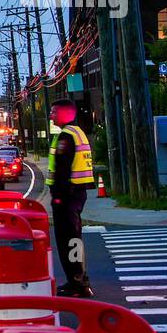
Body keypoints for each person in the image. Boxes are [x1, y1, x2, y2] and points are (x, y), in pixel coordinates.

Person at [47, 98, 95, 297]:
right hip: (77, 194)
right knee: (74, 239)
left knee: (69, 241)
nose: (51, 116)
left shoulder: (66, 137)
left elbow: (62, 170)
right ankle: (78, 280)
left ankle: (77, 283)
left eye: (53, 112)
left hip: (67, 196)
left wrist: (58, 197)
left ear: (64, 114)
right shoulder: (79, 133)